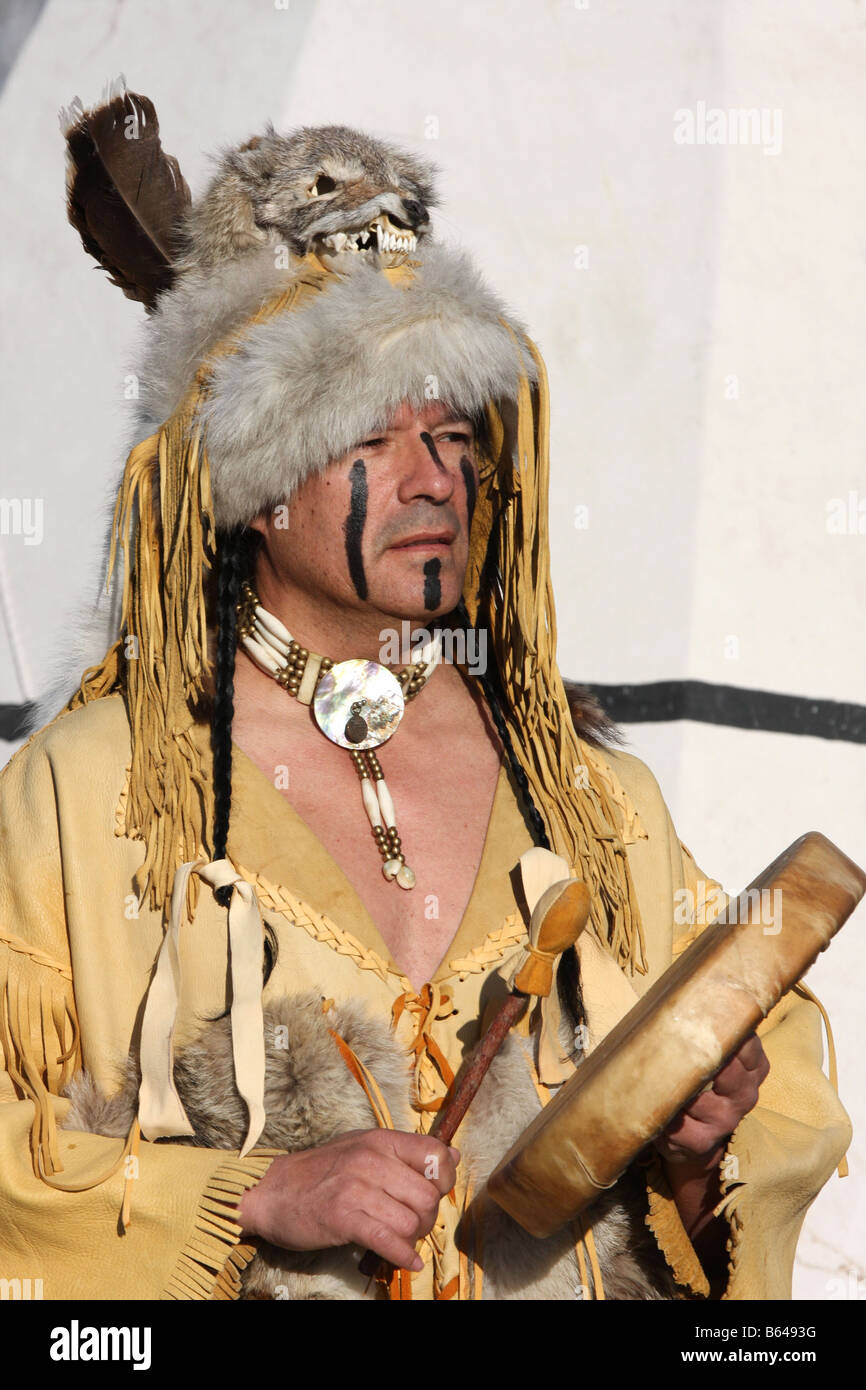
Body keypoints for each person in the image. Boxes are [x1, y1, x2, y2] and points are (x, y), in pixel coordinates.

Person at [0, 112, 851, 1301]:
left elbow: (751, 1163)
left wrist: (696, 1149)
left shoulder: (590, 799)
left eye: (451, 433)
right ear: (253, 487)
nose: (432, 477)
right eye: (371, 435)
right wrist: (253, 1195)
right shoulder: (92, 792)